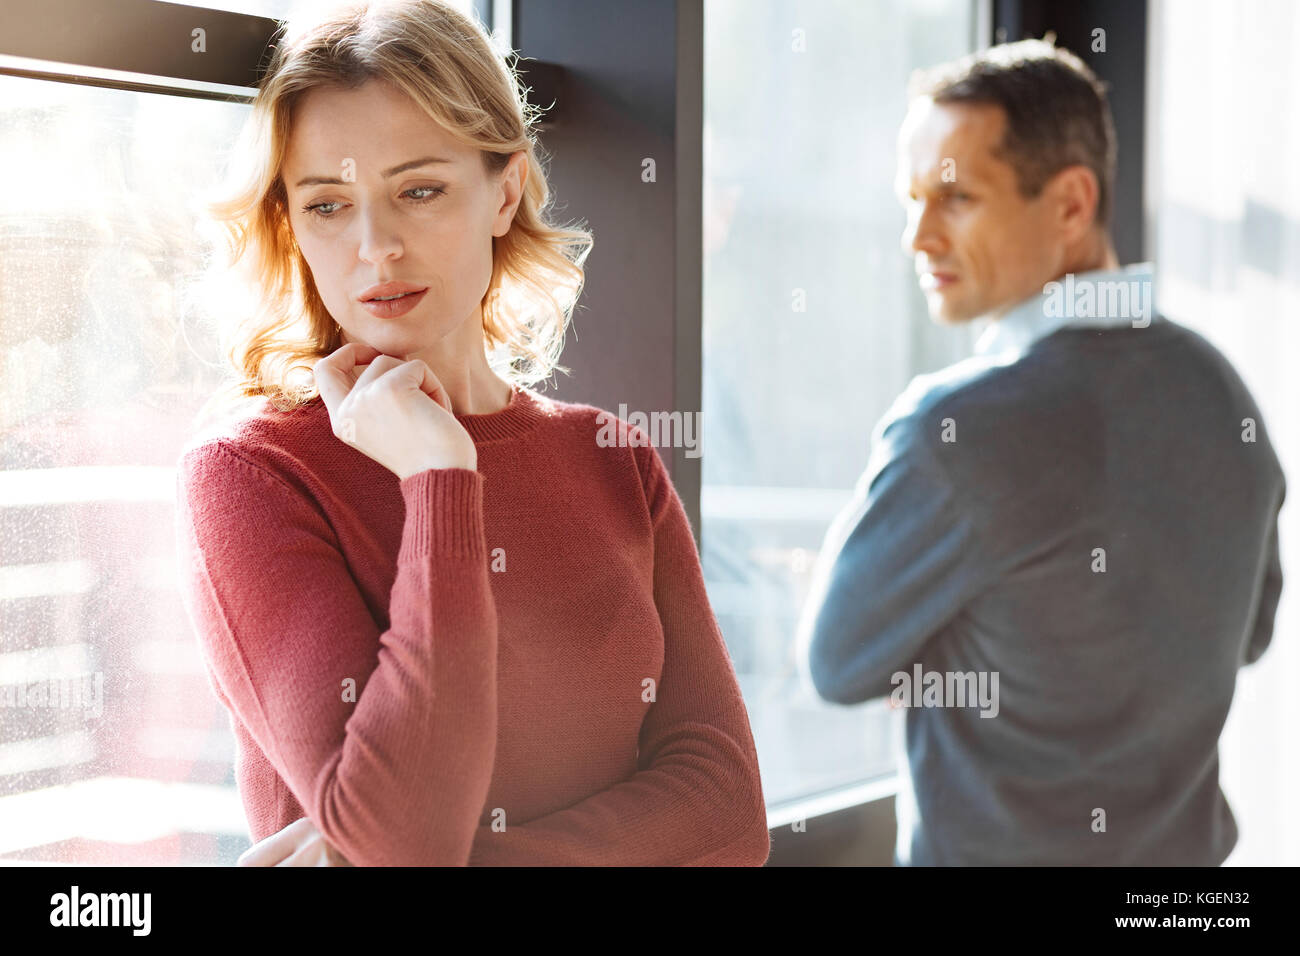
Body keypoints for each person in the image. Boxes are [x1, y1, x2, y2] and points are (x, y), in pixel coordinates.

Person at [174, 0, 769, 867]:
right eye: (328, 205)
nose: (375, 247)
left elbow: (728, 811)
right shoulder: (251, 471)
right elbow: (401, 838)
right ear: (290, 224)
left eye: (418, 190)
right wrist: (439, 481)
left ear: (506, 189)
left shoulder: (614, 459)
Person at [796, 38, 1285, 866]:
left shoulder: (956, 431)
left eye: (955, 199)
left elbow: (838, 665)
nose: (918, 236)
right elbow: (1247, 633)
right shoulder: (1222, 392)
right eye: (909, 199)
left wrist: (939, 638)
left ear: (1069, 204)